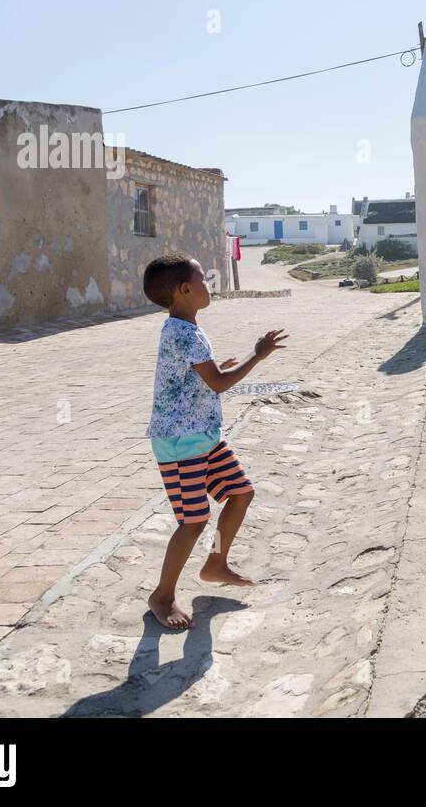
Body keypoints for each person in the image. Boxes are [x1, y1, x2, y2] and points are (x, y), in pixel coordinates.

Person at [141, 253, 288, 629]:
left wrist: (218, 366)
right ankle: (162, 596)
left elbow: (201, 377)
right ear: (184, 290)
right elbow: (220, 385)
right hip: (180, 441)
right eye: (203, 280)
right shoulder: (184, 333)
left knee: (241, 492)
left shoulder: (184, 328)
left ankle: (216, 563)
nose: (209, 284)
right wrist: (257, 356)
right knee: (193, 520)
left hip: (203, 435)